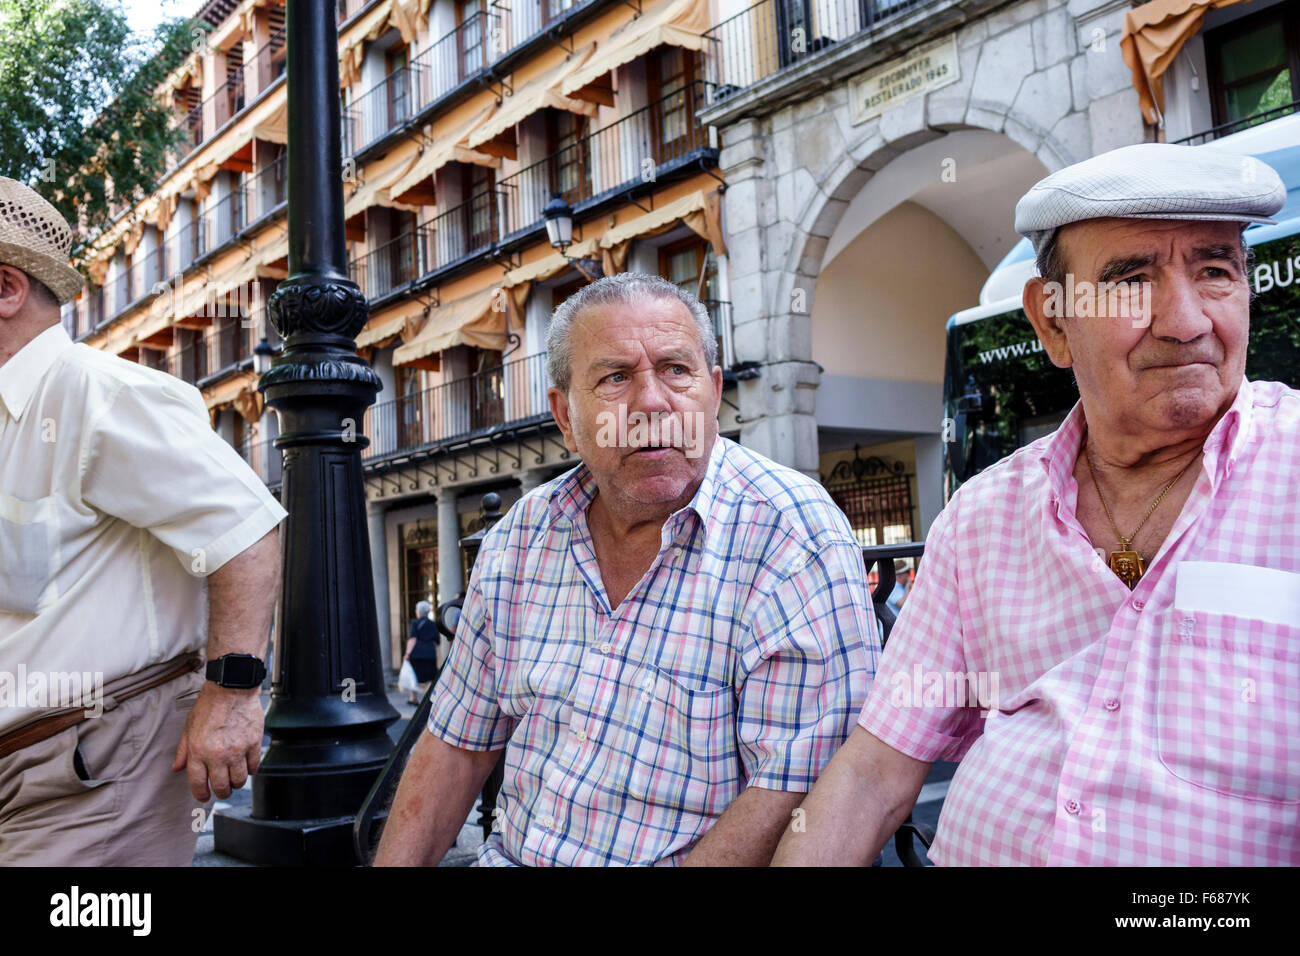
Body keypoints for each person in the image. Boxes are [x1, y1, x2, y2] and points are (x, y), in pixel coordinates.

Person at [774, 143, 1299, 866]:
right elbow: (873, 772)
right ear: (1052, 323)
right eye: (1131, 280)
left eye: (1214, 270)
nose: (1185, 320)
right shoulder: (984, 517)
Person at [375, 273, 878, 866]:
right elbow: (455, 745)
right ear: (565, 415)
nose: (652, 403)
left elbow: (795, 791)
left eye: (676, 370)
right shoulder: (522, 536)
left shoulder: (791, 536)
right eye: (616, 377)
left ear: (714, 393)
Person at [0, 177, 286, 865]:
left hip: (90, 769)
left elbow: (244, 527)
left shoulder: (98, 392)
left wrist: (232, 694)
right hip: (50, 769)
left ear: (6, 288)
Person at [404, 600, 440, 705]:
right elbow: (436, 643)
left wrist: (407, 653)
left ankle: (413, 698)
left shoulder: (415, 623)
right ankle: (427, 699)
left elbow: (412, 640)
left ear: (418, 612)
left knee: (413, 676)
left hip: (417, 654)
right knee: (430, 678)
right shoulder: (433, 624)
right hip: (430, 654)